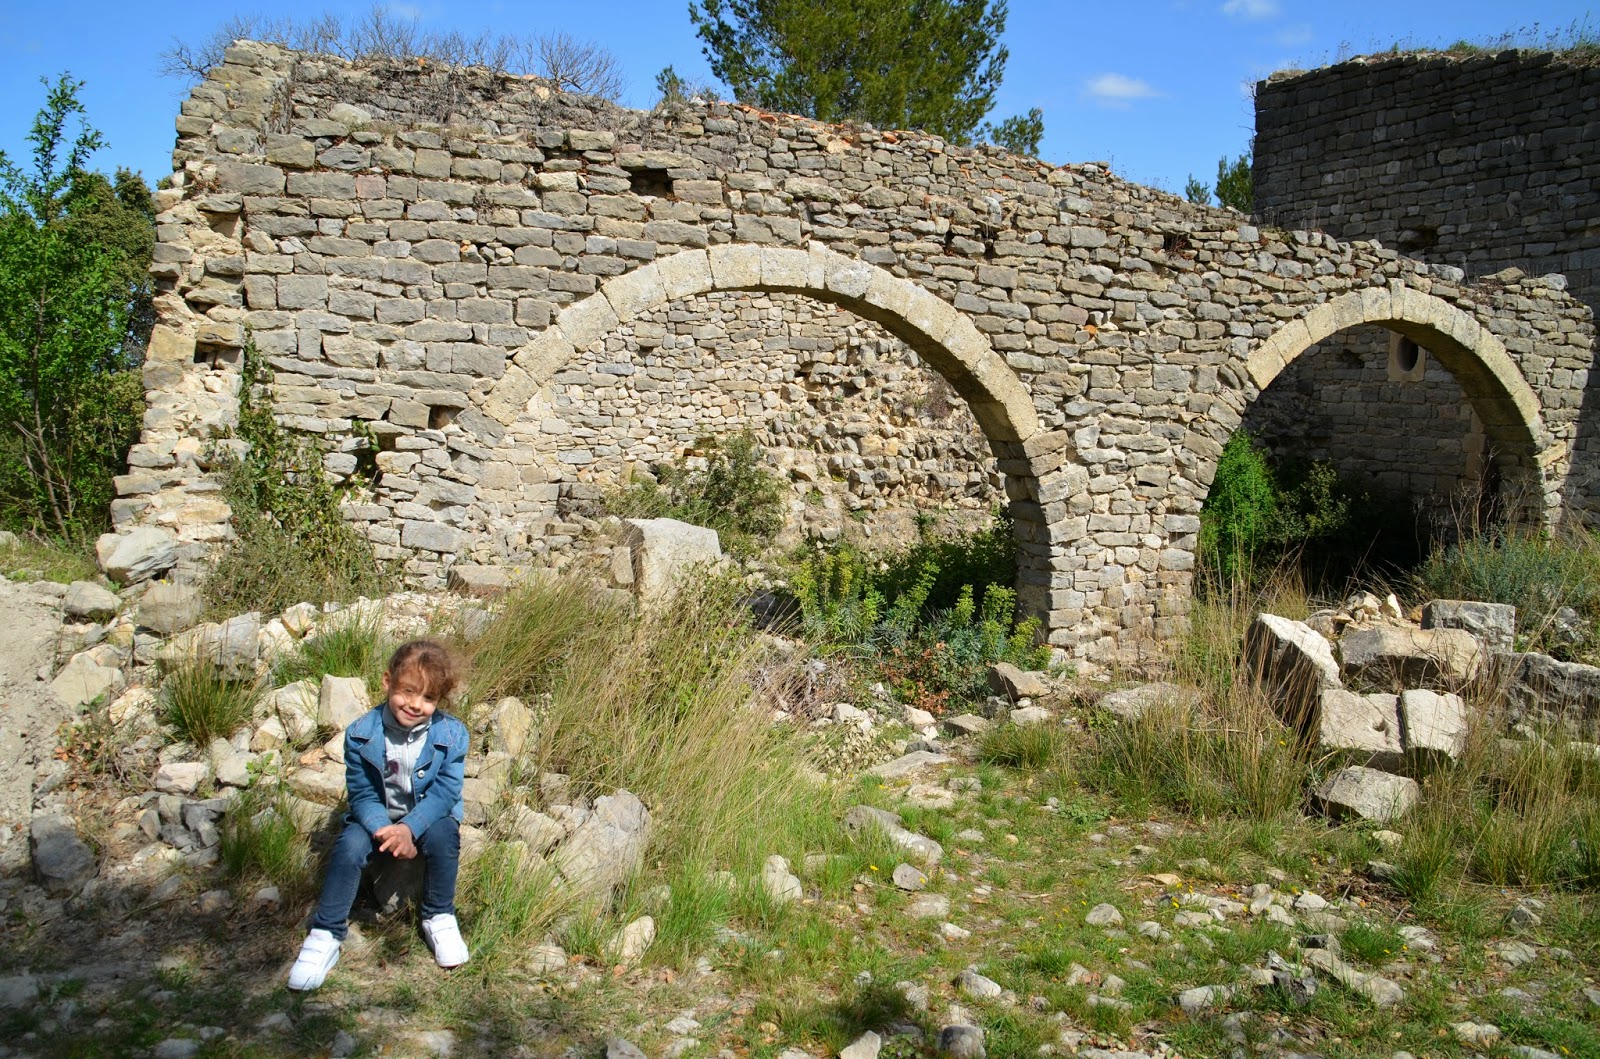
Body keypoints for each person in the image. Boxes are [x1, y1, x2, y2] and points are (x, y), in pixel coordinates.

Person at [288, 638, 471, 991]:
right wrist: (386, 830)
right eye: (408, 691)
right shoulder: (361, 734)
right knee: (349, 846)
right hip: (378, 818)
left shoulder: (452, 734)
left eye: (428, 697)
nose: (415, 704)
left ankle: (439, 914)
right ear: (388, 681)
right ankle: (326, 932)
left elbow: (445, 793)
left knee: (445, 836)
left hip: (428, 815)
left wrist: (410, 828)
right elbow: (362, 795)